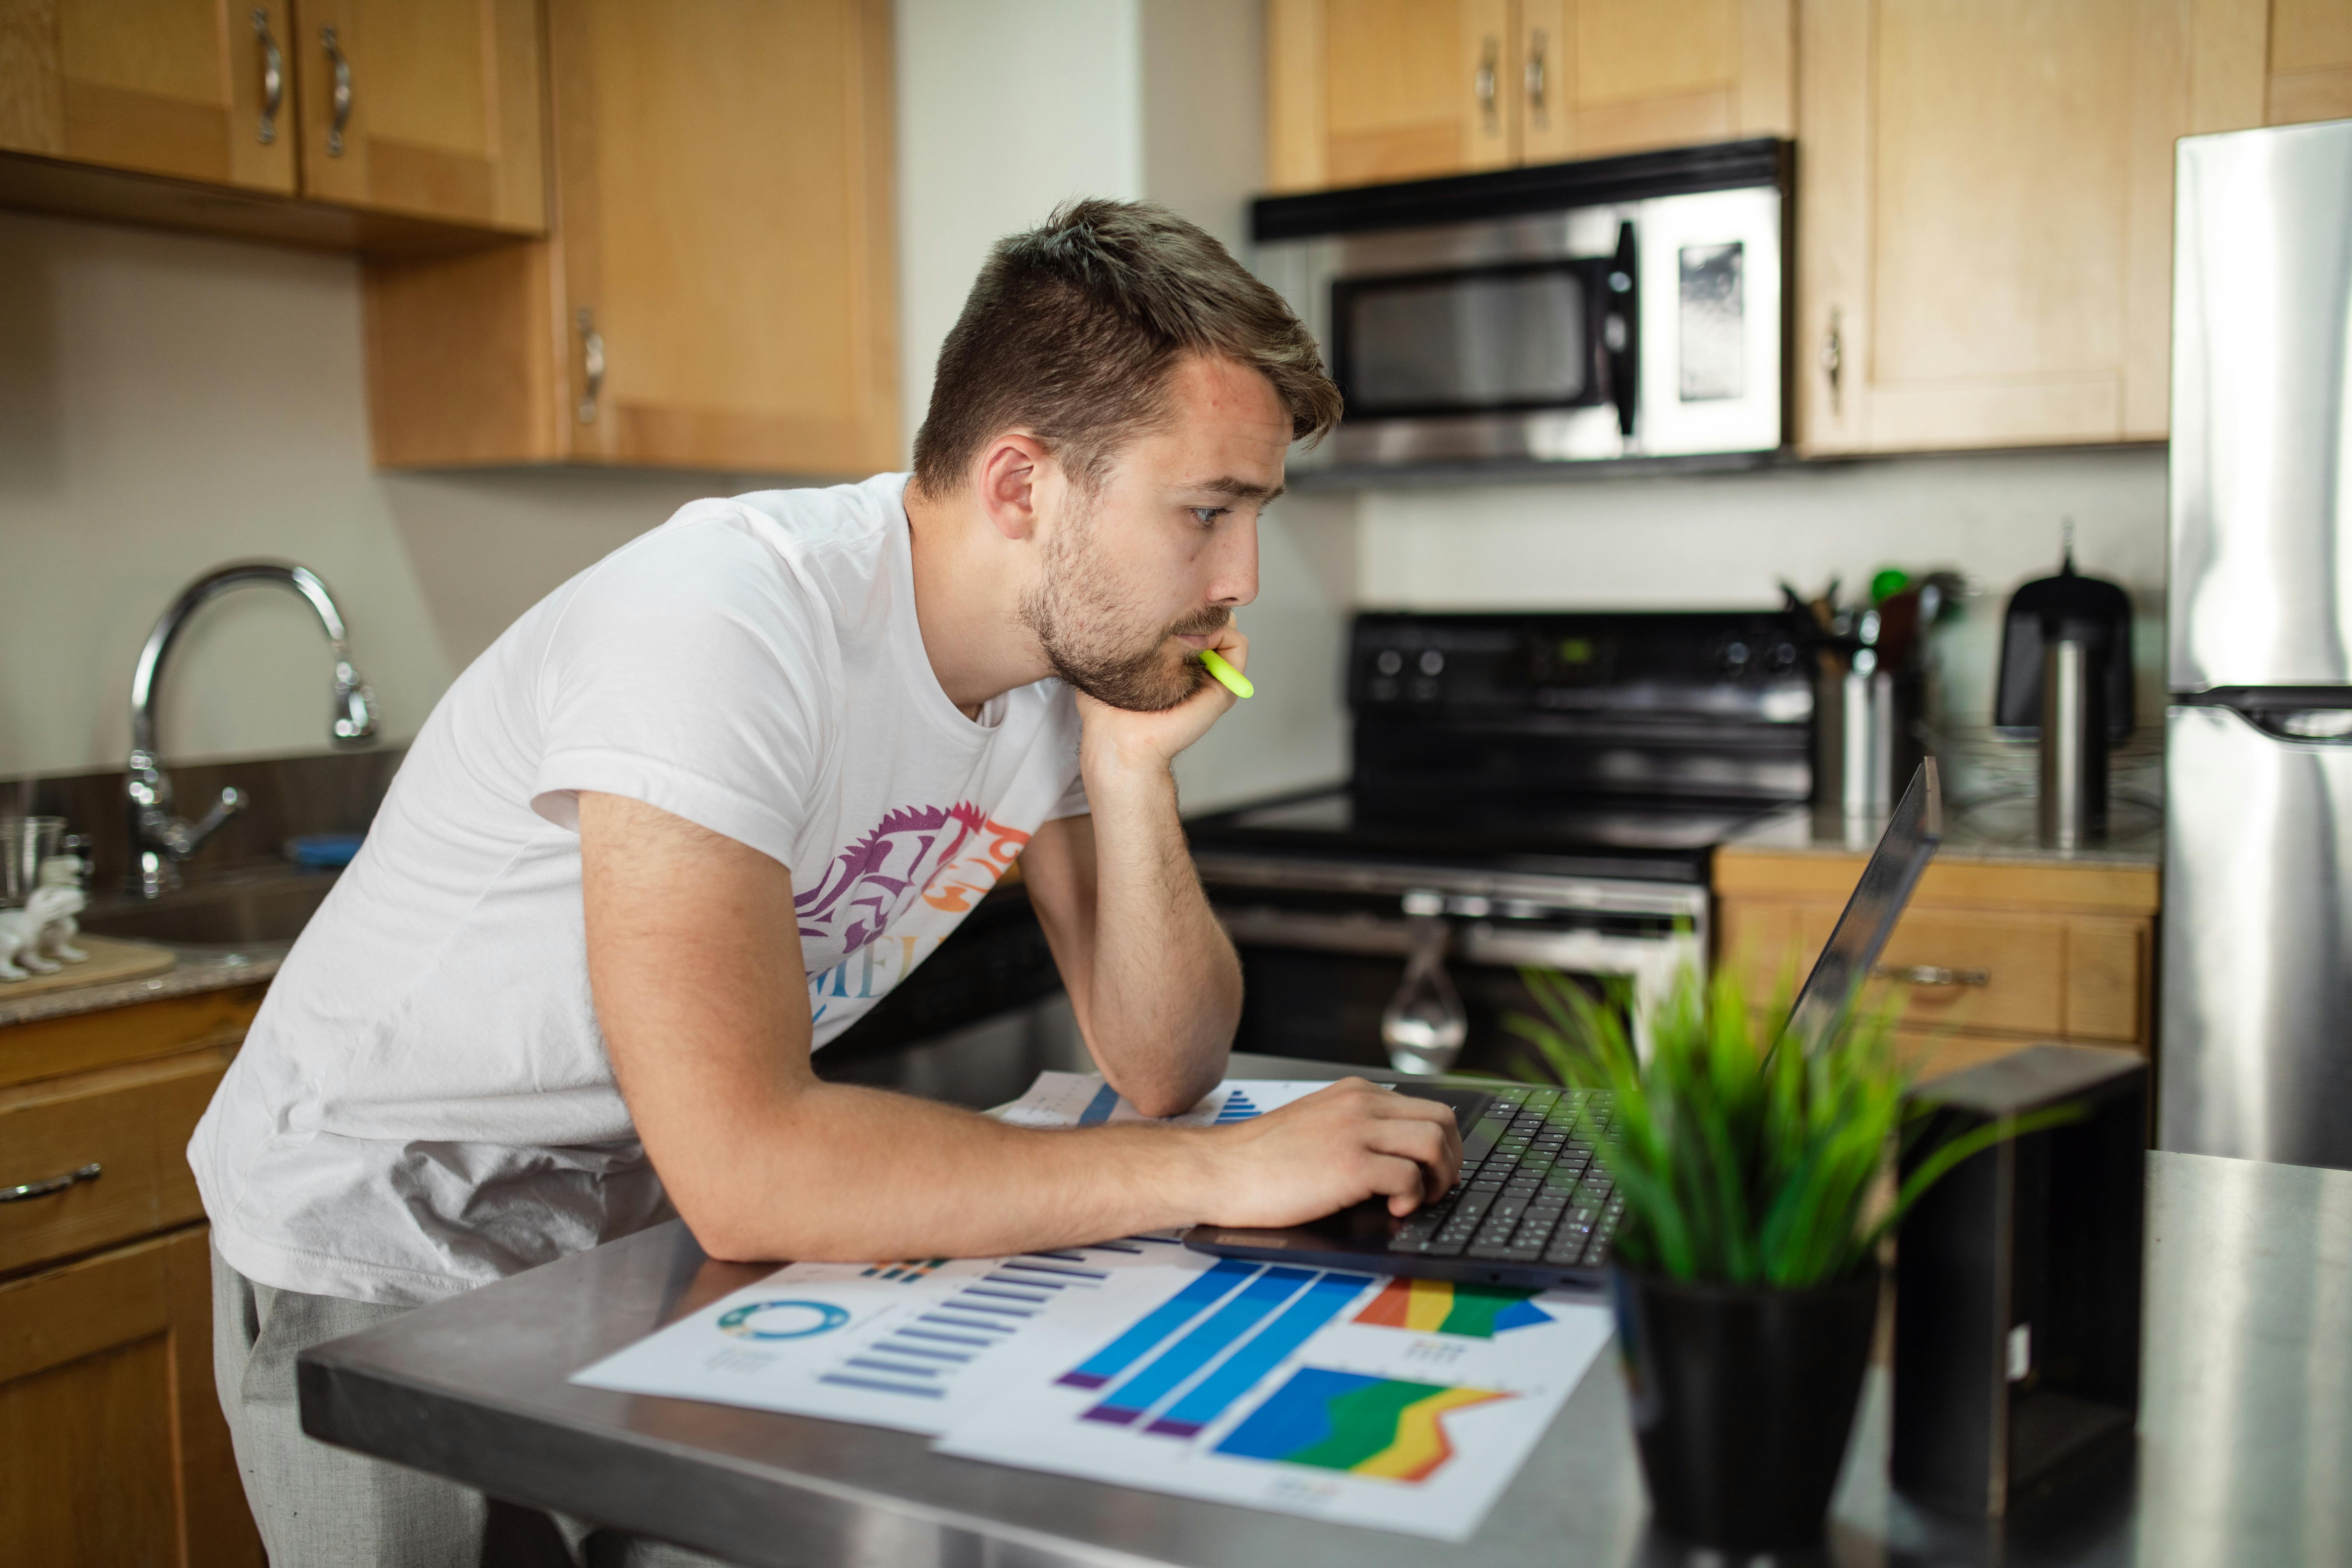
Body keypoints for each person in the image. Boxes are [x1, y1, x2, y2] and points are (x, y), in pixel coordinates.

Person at [189, 199, 1462, 1566]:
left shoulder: (1051, 678)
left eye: (1253, 514)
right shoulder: (718, 625)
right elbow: (748, 1167)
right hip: (384, 1226)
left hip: (624, 1216)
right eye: (1207, 512)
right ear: (1024, 486)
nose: (1243, 577)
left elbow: (1163, 1059)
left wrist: (1133, 776)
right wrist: (1218, 1169)